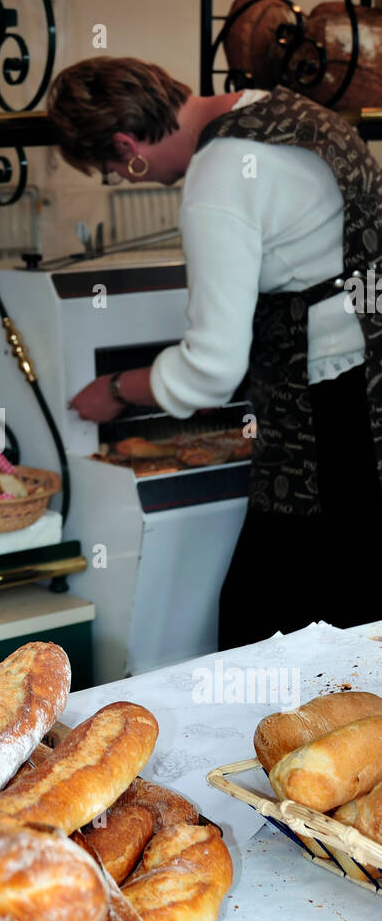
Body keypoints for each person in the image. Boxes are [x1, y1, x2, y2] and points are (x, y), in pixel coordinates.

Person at [47, 56, 382, 648]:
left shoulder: (219, 177)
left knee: (268, 618)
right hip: (367, 373)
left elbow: (210, 367)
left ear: (127, 145)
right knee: (353, 602)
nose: (127, 179)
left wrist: (119, 389)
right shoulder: (275, 108)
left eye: (112, 169)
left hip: (335, 407)